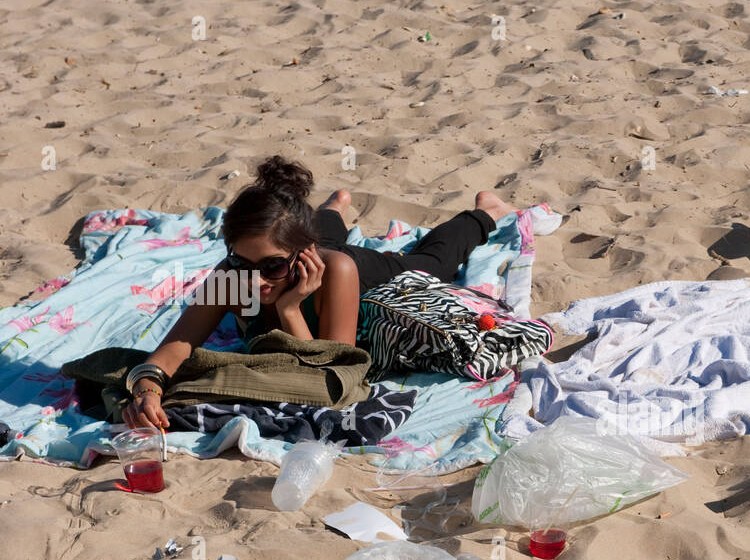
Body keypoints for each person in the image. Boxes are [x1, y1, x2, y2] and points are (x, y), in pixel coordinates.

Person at [122, 156, 513, 429]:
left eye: (271, 266)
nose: (256, 281)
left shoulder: (337, 272)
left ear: (298, 254)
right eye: (243, 263)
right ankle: (332, 209)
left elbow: (331, 371)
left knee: (432, 263)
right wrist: (148, 389)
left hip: (365, 270)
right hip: (309, 248)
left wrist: (291, 309)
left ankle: (484, 213)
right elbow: (177, 344)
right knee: (315, 236)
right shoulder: (232, 276)